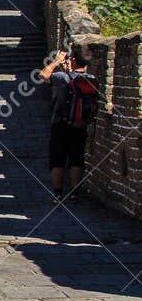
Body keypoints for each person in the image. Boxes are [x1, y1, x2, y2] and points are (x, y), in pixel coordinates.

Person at [39, 43, 99, 199]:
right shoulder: (93, 80)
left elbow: (43, 75)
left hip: (61, 124)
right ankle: (74, 193)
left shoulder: (64, 78)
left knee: (58, 159)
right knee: (76, 158)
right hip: (81, 124)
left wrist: (56, 62)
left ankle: (58, 194)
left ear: (72, 59)